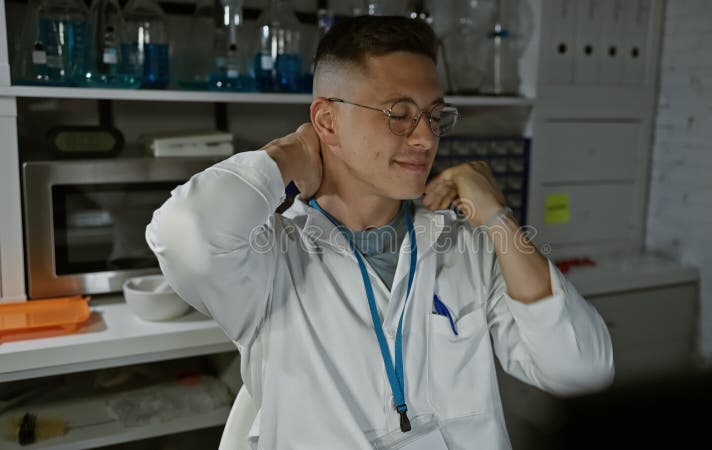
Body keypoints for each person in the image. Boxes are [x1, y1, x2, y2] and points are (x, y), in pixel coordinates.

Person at [146, 15, 613, 450]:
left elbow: (582, 371)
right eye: (398, 113)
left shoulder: (465, 245)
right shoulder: (270, 256)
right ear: (328, 120)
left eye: (434, 116)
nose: (426, 138)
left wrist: (496, 217)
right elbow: (184, 234)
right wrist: (289, 153)